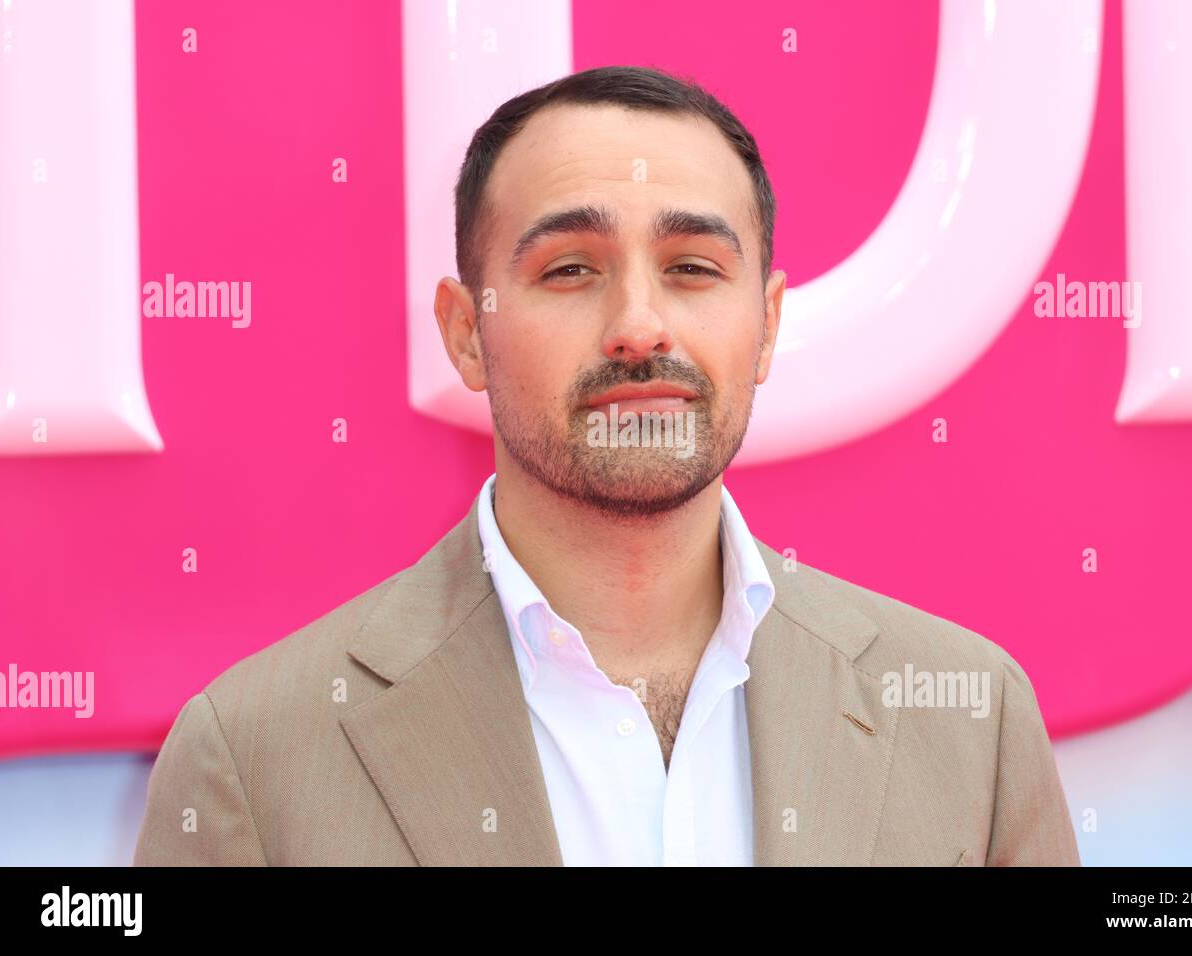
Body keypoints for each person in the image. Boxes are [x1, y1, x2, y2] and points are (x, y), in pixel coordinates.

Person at [133, 65, 1080, 867]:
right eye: (571, 269)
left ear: (767, 326)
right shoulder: (254, 758)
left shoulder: (972, 720)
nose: (639, 326)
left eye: (694, 267)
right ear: (468, 334)